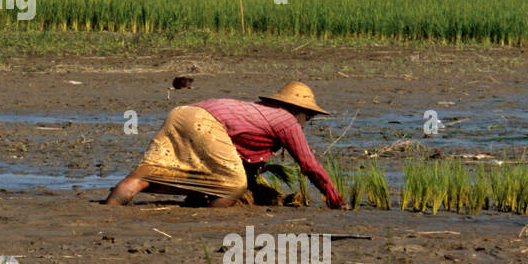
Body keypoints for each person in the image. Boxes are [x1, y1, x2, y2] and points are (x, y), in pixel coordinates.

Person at [105, 81, 347, 209]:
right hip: (205, 122)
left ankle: (109, 209)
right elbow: (309, 165)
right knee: (233, 185)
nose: (307, 122)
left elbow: (230, 152)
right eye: (309, 116)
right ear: (299, 111)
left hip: (183, 113)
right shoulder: (287, 121)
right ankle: (211, 218)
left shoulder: (260, 111)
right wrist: (335, 198)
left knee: (149, 172)